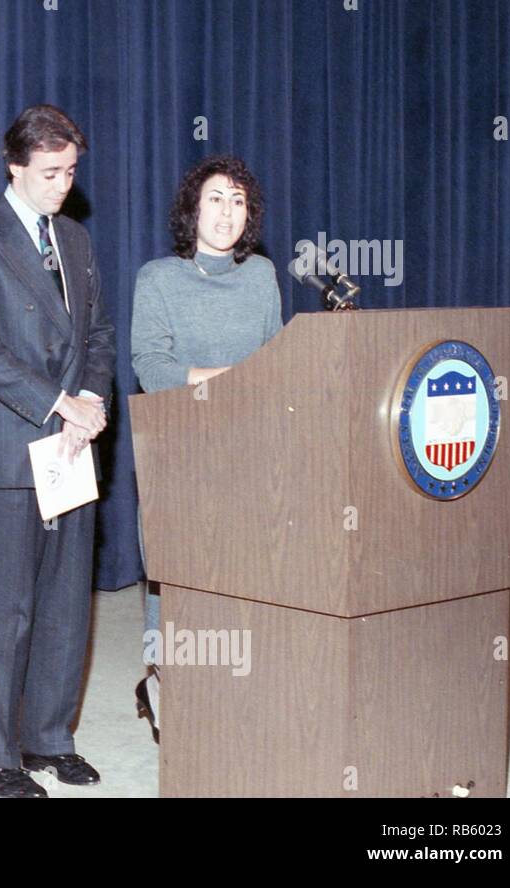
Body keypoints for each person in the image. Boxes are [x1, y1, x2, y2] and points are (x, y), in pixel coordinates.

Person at [0, 105, 116, 798]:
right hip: (13, 448)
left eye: (71, 172)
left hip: (75, 444)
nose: (62, 185)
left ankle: (48, 738)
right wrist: (56, 401)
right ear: (14, 166)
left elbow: (99, 332)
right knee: (5, 610)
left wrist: (92, 402)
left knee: (66, 605)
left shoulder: (74, 238)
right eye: (50, 173)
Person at [129, 154, 282, 742]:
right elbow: (151, 367)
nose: (227, 211)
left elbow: (277, 360)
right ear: (193, 209)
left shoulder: (263, 275)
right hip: (180, 446)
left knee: (246, 566)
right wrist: (227, 378)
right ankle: (163, 680)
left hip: (250, 445)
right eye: (216, 198)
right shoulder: (158, 278)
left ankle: (237, 684)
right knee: (173, 571)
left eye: (239, 201)